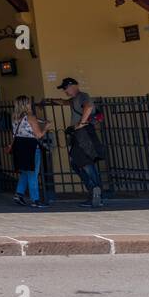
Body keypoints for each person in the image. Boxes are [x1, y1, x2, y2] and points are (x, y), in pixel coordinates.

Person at [59, 77, 103, 208]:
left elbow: (88, 107)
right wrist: (51, 101)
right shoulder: (74, 99)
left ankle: (96, 193)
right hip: (79, 134)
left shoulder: (83, 96)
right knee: (78, 163)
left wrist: (82, 123)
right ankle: (94, 191)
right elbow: (65, 102)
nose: (65, 90)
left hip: (83, 134)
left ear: (73, 86)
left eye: (66, 88)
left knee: (85, 163)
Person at [10, 96, 47, 208]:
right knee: (32, 173)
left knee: (25, 172)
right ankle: (35, 200)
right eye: (29, 103)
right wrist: (46, 127)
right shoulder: (30, 117)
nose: (31, 104)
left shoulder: (15, 117)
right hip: (31, 146)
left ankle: (19, 194)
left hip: (19, 146)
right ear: (26, 104)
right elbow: (39, 135)